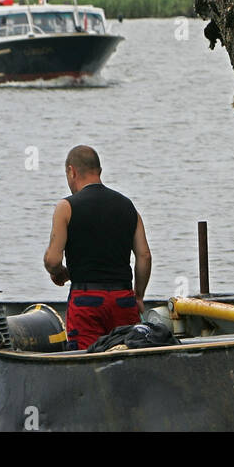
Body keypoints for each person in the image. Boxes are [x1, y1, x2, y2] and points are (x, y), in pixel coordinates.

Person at [44, 145, 152, 350]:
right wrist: (138, 296)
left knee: (86, 361)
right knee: (127, 357)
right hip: (123, 299)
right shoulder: (127, 206)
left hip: (86, 301)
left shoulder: (66, 207)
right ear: (99, 171)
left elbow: (52, 260)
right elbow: (144, 255)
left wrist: (61, 273)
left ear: (71, 171)